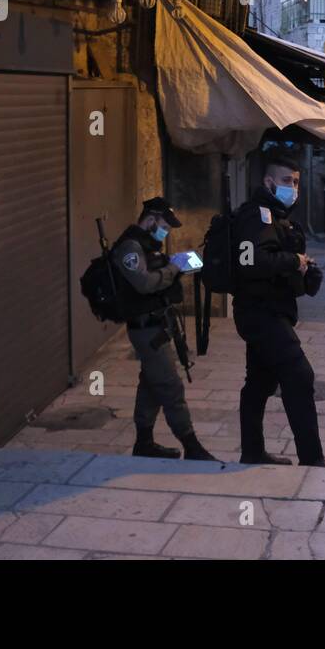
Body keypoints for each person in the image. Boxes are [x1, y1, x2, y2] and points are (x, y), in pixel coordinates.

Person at [231, 152, 325, 467]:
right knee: (300, 376)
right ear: (269, 182)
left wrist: (306, 272)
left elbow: (281, 268)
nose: (293, 187)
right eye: (287, 181)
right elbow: (249, 262)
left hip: (272, 311)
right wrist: (294, 261)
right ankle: (312, 459)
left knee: (259, 383)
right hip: (260, 314)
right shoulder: (254, 216)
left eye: (297, 182)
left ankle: (252, 451)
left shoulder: (280, 218)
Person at [111, 196, 218, 460]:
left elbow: (160, 273)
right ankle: (191, 445)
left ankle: (143, 443)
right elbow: (144, 284)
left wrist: (183, 263)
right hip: (145, 330)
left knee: (151, 384)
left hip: (157, 325)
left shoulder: (147, 246)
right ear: (149, 220)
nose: (165, 232)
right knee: (170, 386)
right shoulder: (129, 248)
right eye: (163, 226)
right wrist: (174, 267)